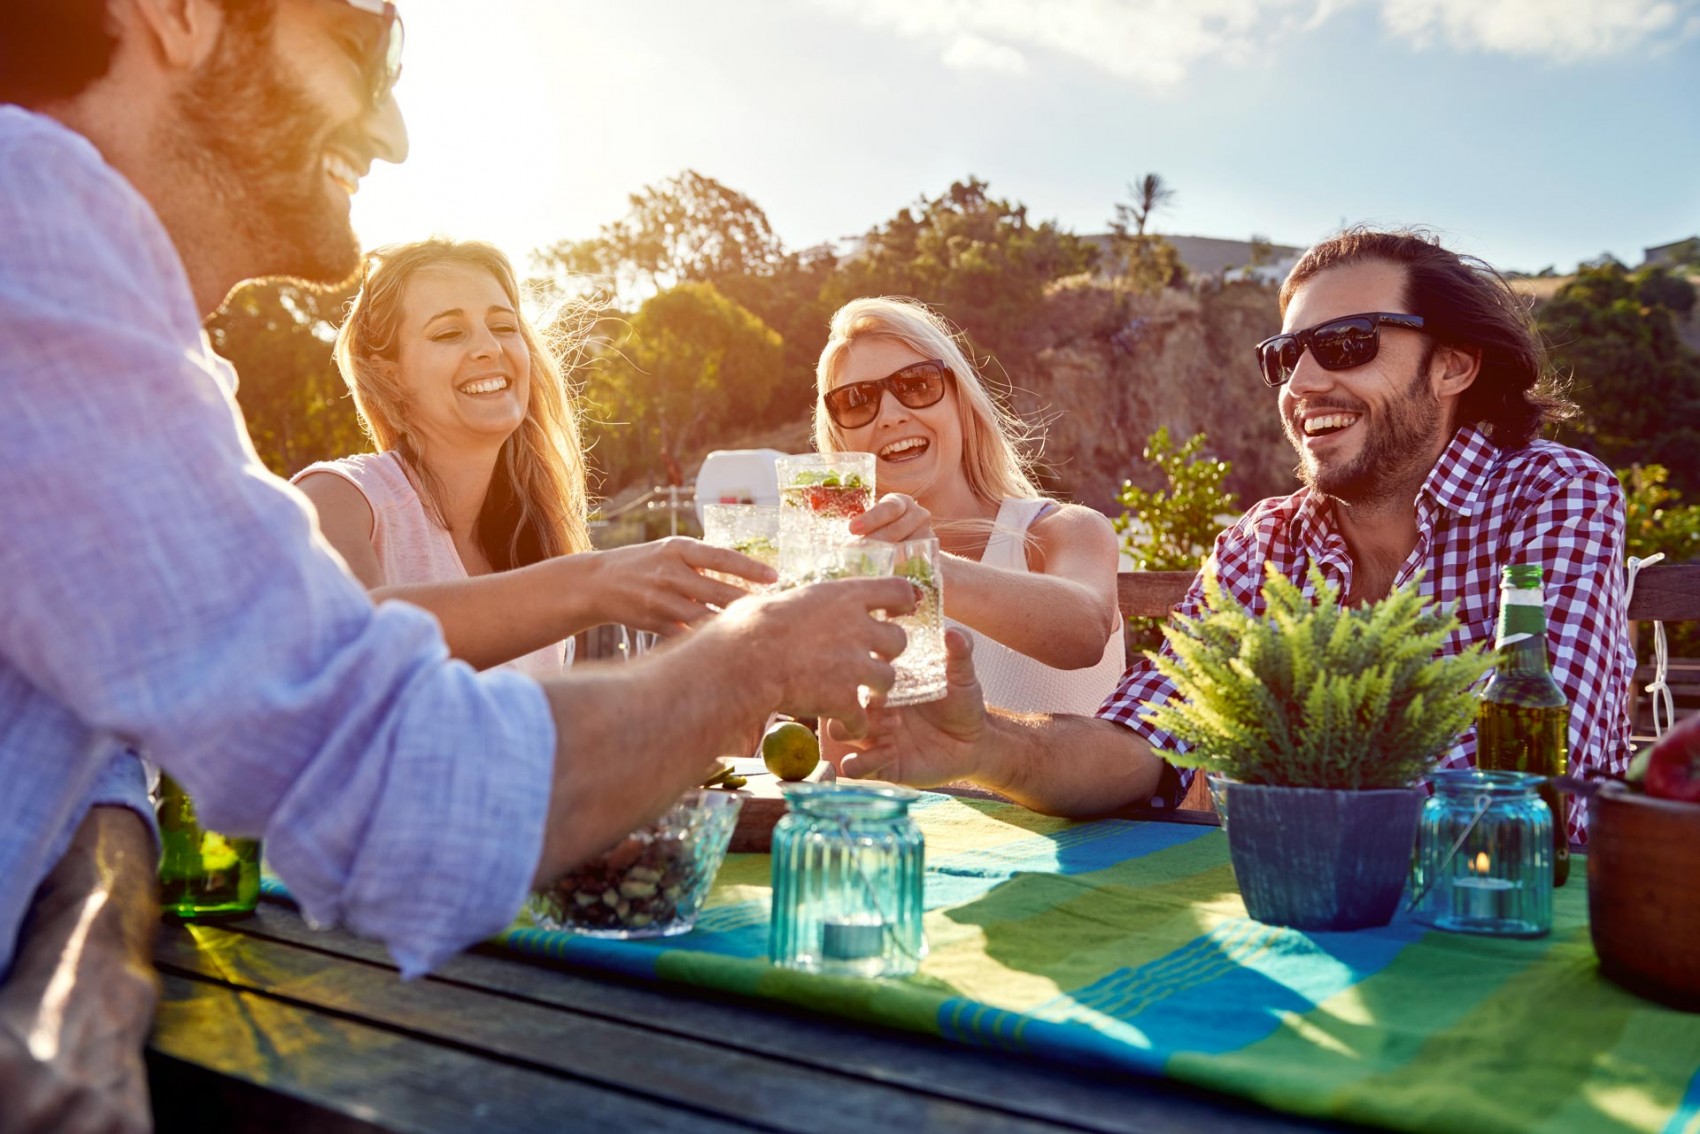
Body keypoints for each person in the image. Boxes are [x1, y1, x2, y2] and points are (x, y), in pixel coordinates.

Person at [0, 2, 911, 1130]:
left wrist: (85, 938)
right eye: (364, 42)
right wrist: (754, 659)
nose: (391, 134)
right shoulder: (32, 230)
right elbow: (397, 785)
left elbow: (84, 746)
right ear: (178, 15)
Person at [836, 228, 1634, 845]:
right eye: (1286, 357)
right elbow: (1143, 739)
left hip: (1520, 924)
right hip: (1304, 910)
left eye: (1348, 344)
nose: (1304, 383)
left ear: (1454, 365)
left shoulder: (1551, 494)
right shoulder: (1265, 543)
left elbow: (1523, 783)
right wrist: (984, 745)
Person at [294, 239, 769, 679]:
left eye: (504, 326)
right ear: (389, 375)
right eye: (449, 333)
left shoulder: (534, 538)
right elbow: (353, 643)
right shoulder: (337, 500)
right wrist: (595, 583)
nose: (489, 348)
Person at [816, 297, 1126, 715]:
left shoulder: (1063, 531)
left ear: (961, 402)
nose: (889, 415)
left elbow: (1085, 632)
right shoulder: (849, 573)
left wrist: (922, 565)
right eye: (856, 401)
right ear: (841, 438)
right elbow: (846, 764)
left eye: (916, 385)